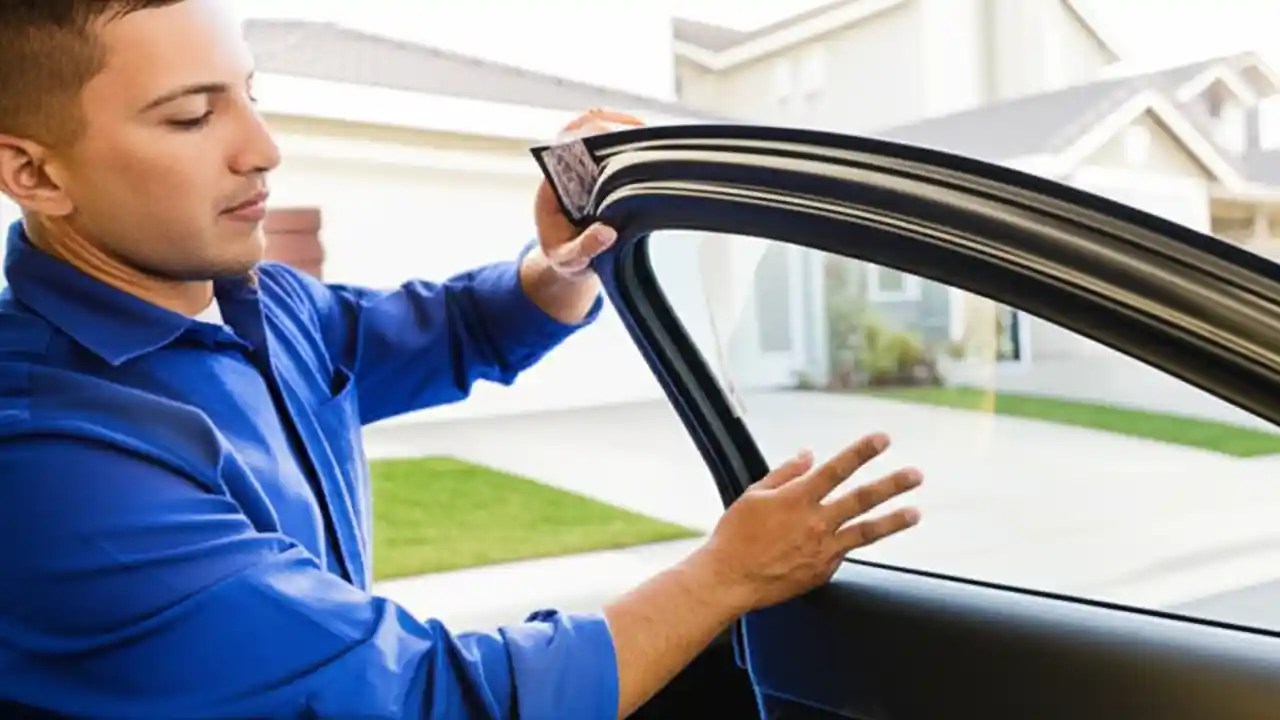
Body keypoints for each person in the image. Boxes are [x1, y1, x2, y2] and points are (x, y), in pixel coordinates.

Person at [0, 1, 925, 718]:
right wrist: (728, 575)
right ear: (35, 173)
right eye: (193, 118)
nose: (264, 150)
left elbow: (443, 330)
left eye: (252, 94)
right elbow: (423, 699)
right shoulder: (50, 464)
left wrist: (564, 265)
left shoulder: (259, 302)